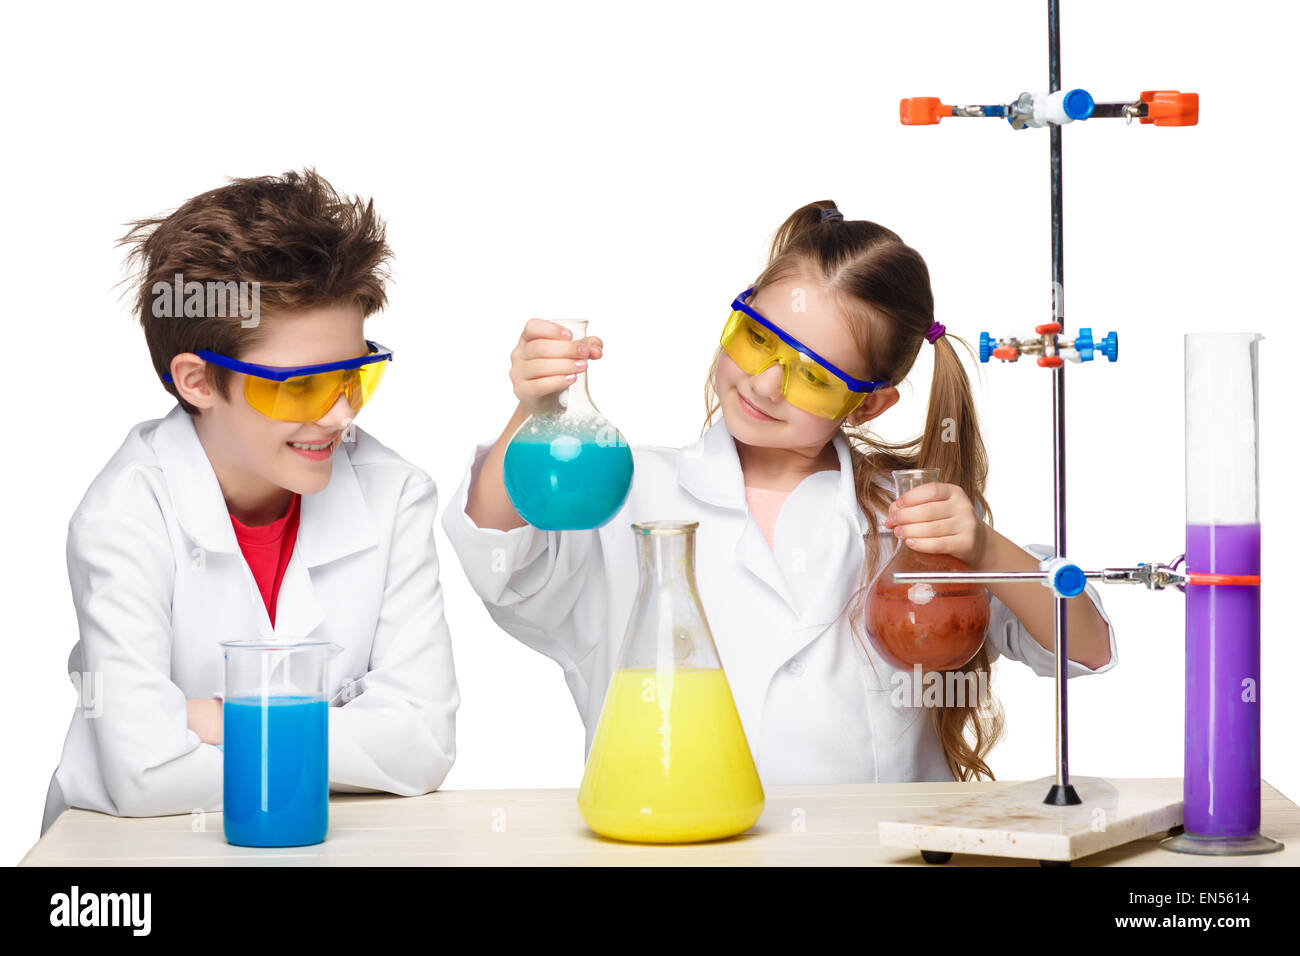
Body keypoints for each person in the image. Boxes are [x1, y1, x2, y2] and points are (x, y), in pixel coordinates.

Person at [442, 200, 1117, 787]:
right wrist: (534, 410)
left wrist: (984, 547)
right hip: (676, 849)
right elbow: (499, 556)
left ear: (869, 404)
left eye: (814, 377)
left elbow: (1084, 647)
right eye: (758, 338)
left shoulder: (910, 522)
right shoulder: (631, 490)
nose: (765, 384)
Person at [42, 169, 458, 834]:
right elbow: (145, 773)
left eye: (353, 375)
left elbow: (422, 746)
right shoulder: (125, 514)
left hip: (325, 842)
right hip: (129, 854)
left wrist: (206, 717)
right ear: (199, 380)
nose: (339, 414)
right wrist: (344, 738)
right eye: (298, 388)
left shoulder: (396, 494)